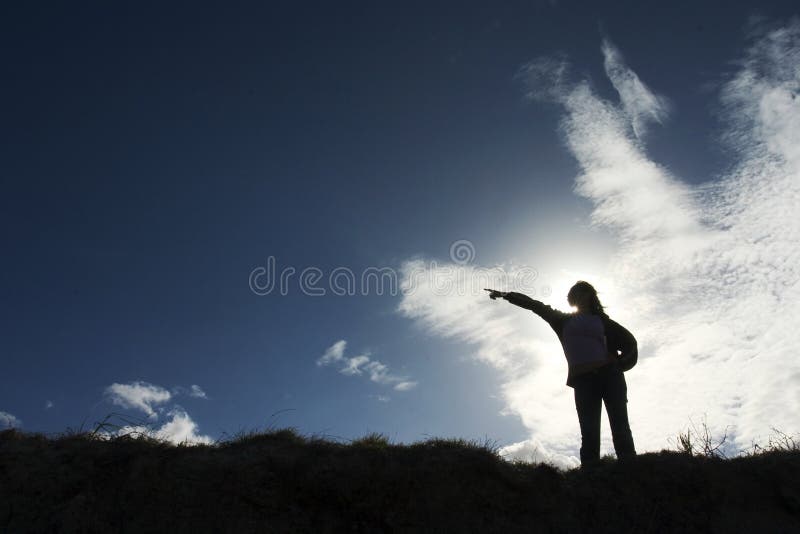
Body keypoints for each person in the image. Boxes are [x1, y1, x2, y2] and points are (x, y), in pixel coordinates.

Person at [486, 281, 637, 466]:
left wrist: (620, 364)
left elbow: (630, 343)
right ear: (571, 299)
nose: (579, 297)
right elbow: (536, 305)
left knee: (620, 427)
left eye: (583, 293)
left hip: (610, 377)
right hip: (583, 381)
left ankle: (631, 470)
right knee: (589, 432)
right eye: (575, 295)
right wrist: (507, 295)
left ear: (591, 296)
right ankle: (591, 476)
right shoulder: (563, 321)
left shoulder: (604, 322)